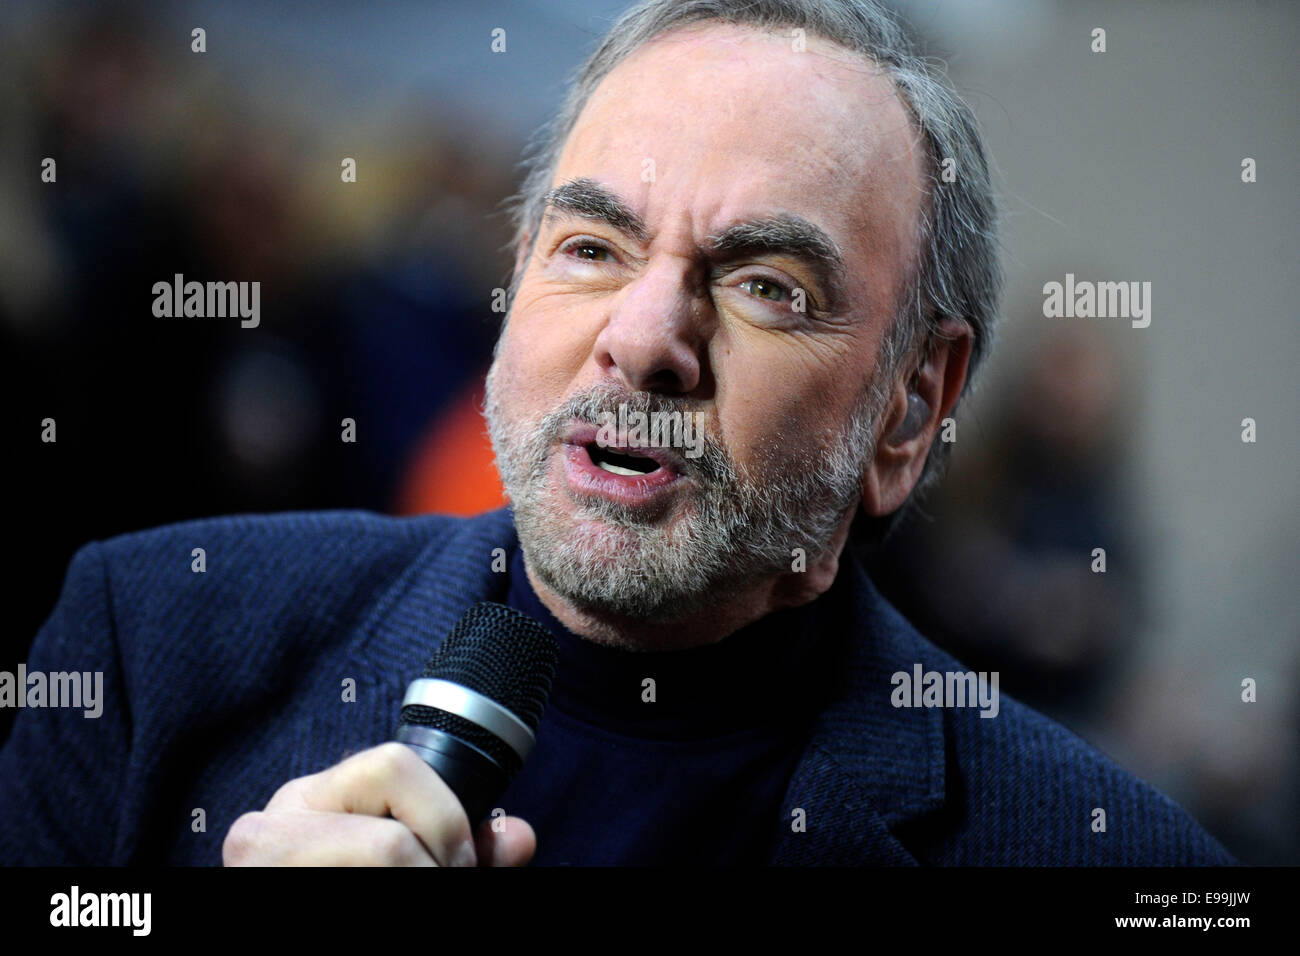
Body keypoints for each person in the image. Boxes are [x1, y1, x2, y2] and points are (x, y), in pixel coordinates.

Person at [0, 0, 1233, 866]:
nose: (643, 335)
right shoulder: (148, 641)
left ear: (909, 406)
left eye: (766, 285)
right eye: (591, 248)